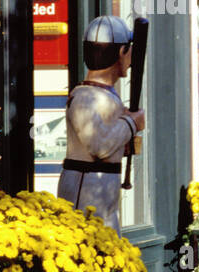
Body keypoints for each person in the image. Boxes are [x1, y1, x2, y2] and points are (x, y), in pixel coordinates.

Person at [56, 15, 146, 235]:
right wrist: (131, 122)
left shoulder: (101, 95)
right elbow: (99, 146)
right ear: (120, 52)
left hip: (102, 189)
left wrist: (124, 132)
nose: (132, 57)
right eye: (129, 50)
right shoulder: (86, 97)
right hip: (86, 189)